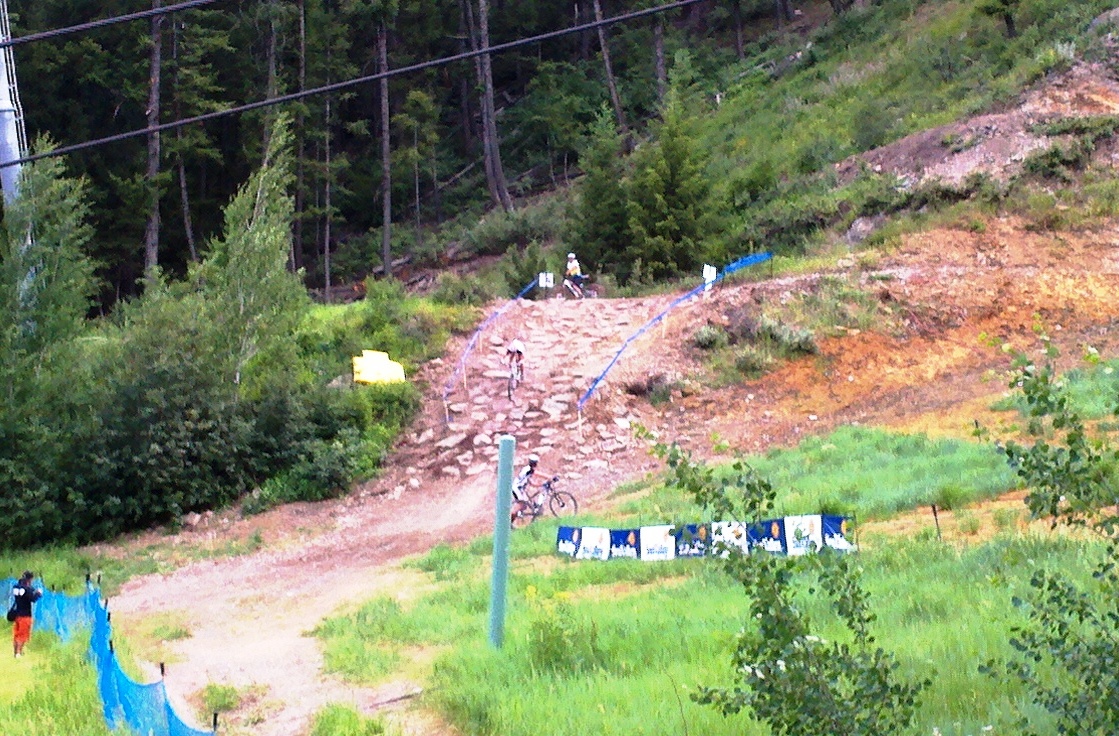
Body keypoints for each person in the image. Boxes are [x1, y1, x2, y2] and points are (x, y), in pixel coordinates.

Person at [11, 571, 42, 658]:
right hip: (25, 615)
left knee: (16, 634)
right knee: (23, 634)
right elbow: (33, 599)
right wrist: (38, 594)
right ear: (30, 579)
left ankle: (15, 652)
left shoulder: (16, 587)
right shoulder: (27, 589)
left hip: (17, 614)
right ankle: (18, 653)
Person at [510, 454, 540, 525]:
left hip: (520, 489)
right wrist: (550, 477)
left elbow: (531, 483)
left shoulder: (527, 470)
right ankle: (508, 520)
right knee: (520, 505)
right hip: (517, 489)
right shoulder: (528, 469)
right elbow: (538, 473)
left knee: (524, 506)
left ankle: (511, 522)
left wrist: (542, 484)